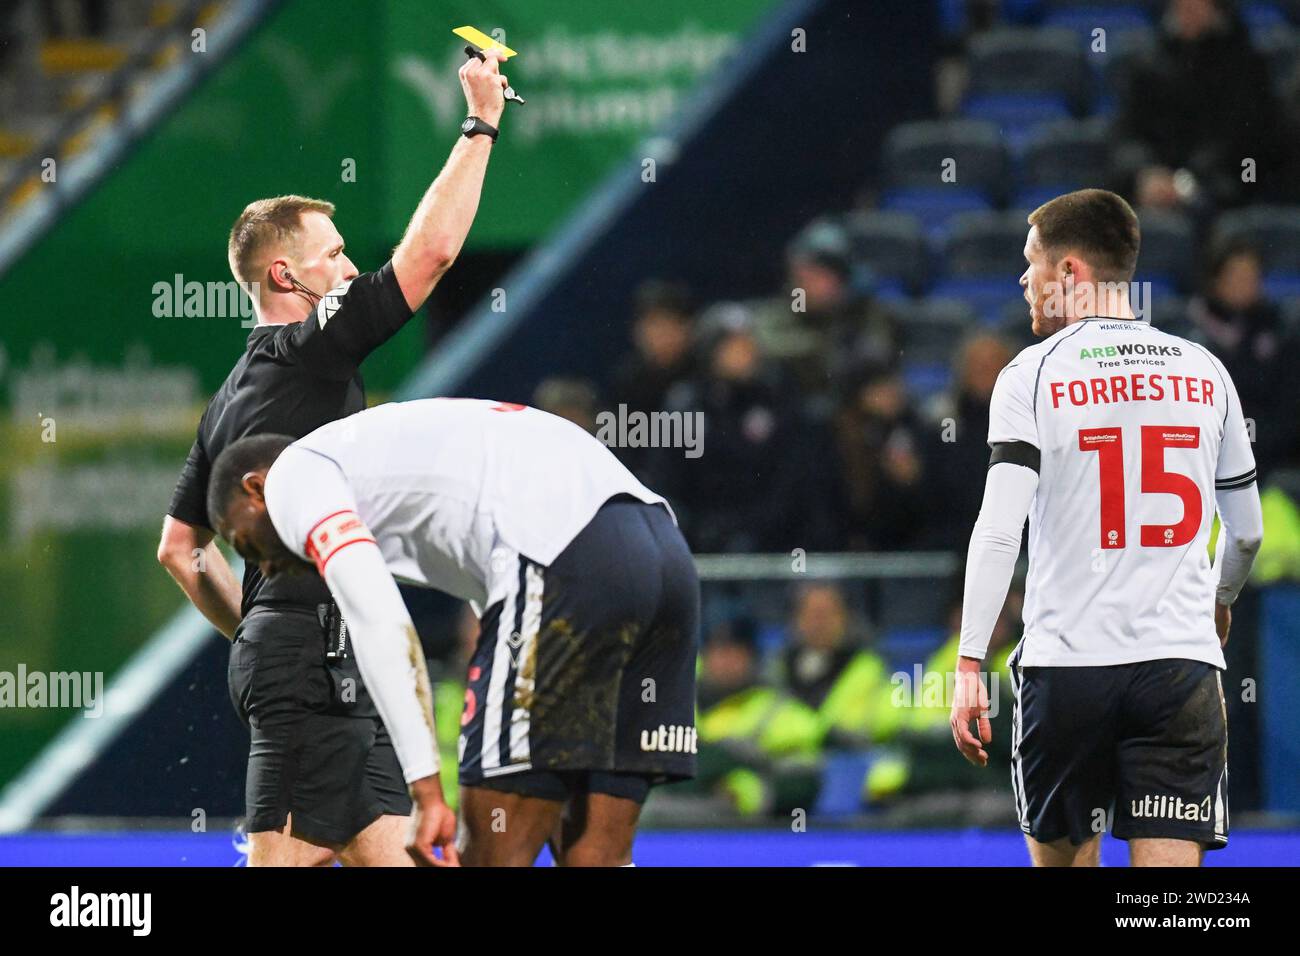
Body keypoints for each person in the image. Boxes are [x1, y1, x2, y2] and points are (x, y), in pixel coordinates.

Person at [155, 49, 512, 865]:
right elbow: (430, 259)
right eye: (335, 256)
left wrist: (251, 631)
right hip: (309, 666)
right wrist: (480, 122)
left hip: (337, 660)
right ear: (287, 274)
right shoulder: (305, 350)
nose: (350, 268)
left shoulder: (226, 399)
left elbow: (179, 550)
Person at [204, 398, 699, 867]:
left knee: (487, 853)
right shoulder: (386, 463)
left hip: (562, 556)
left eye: (243, 541)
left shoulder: (294, 476)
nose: (264, 565)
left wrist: (426, 788)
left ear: (255, 487)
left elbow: (378, 620)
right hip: (666, 558)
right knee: (597, 855)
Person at [951, 189, 1264, 867]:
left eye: (1031, 263)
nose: (1022, 281)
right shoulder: (1206, 371)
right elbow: (1246, 533)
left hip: (1069, 668)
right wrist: (1219, 603)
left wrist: (971, 660)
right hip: (1180, 668)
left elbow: (1000, 529)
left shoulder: (1030, 376)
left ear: (1070, 274)